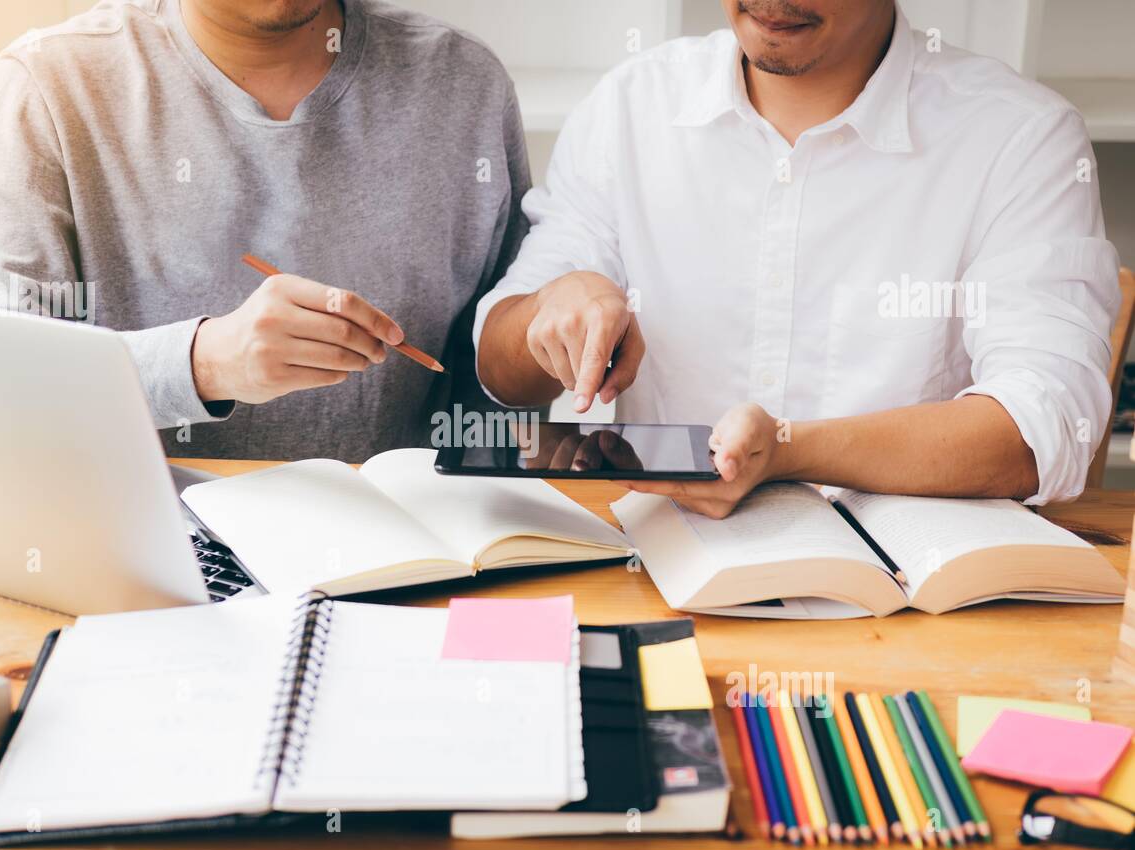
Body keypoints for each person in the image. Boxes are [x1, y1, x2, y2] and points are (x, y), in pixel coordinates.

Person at [474, 0, 1120, 515]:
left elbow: (1044, 428)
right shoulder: (631, 106)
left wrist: (788, 450)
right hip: (661, 579)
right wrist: (550, 310)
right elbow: (498, 367)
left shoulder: (1020, 135)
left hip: (910, 604)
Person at [0, 0, 529, 461]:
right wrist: (203, 364)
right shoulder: (49, 81)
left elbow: (492, 395)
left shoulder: (464, 84)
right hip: (145, 572)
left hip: (413, 574)